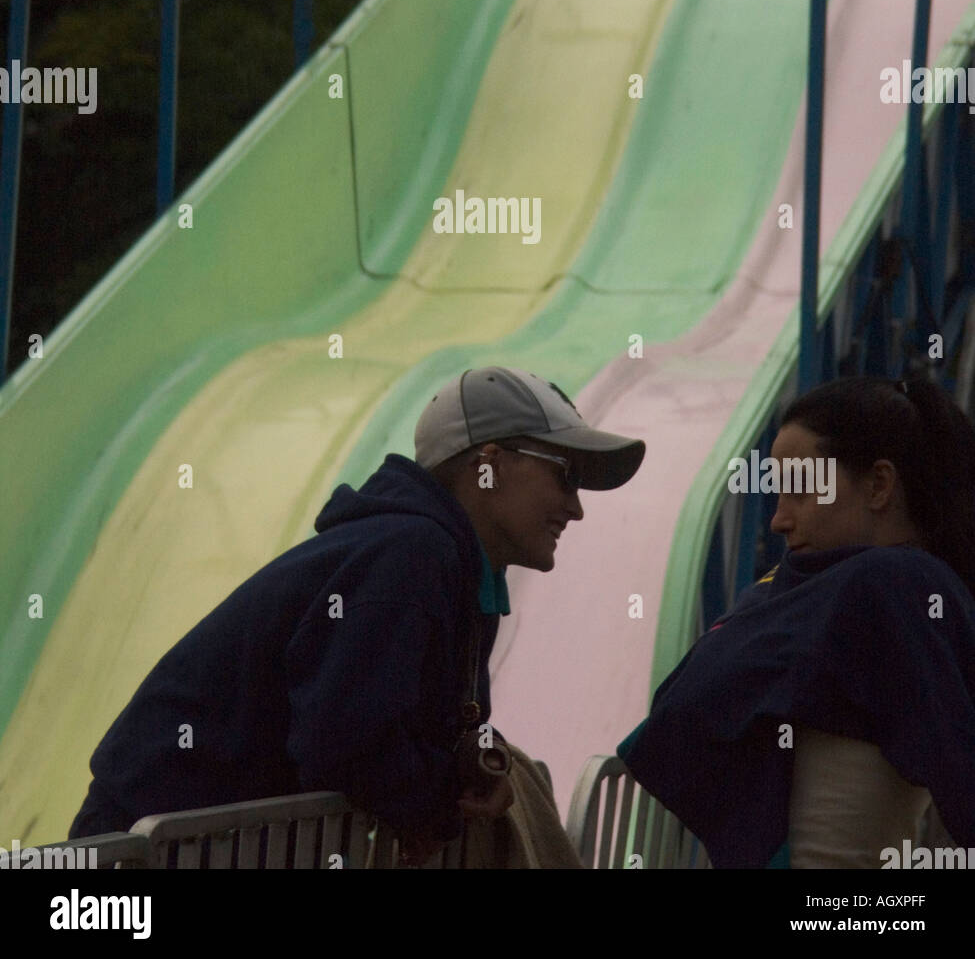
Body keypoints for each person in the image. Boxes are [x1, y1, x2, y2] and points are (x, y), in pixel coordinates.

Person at [68, 364, 645, 865]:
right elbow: (344, 738)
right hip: (145, 854)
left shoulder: (459, 571)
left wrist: (470, 767)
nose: (575, 508)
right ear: (486, 466)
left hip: (197, 846)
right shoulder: (409, 553)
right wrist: (439, 808)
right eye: (564, 475)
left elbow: (416, 726)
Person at [617, 373, 975, 869]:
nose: (778, 520)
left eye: (800, 491)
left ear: (878, 486)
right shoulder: (822, 587)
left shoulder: (894, 583)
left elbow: (958, 765)